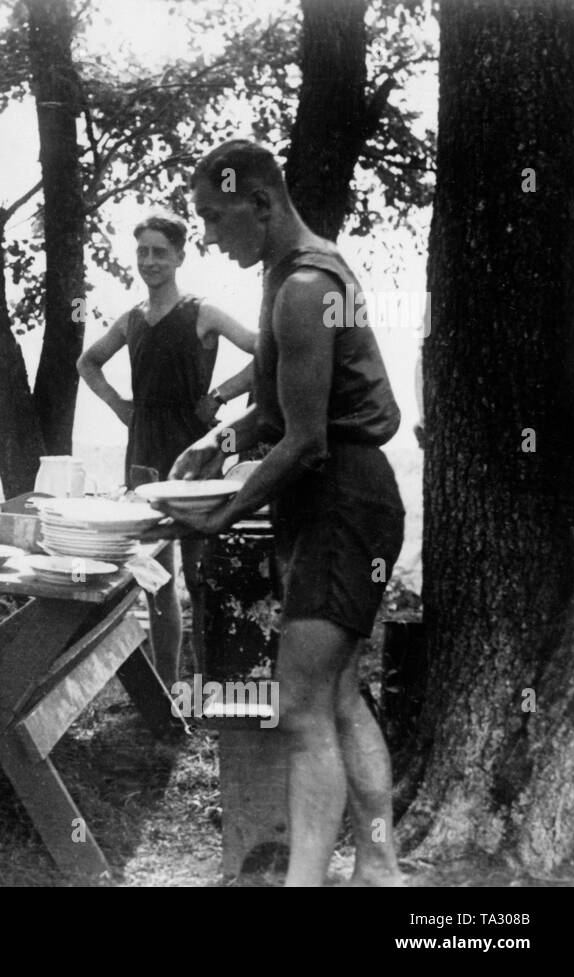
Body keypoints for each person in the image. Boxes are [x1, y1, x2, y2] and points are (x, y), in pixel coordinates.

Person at [160, 140, 406, 886]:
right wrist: (223, 437)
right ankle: (379, 866)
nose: (204, 235)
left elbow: (303, 441)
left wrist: (223, 511)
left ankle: (302, 882)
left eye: (212, 216)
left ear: (260, 203)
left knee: (299, 710)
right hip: (346, 499)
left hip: (339, 504)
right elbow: (286, 406)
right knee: (337, 695)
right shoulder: (301, 271)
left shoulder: (302, 287)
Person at [77, 210, 256, 686]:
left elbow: (268, 353)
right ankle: (168, 692)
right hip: (144, 454)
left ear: (179, 256)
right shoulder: (132, 319)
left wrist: (220, 395)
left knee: (200, 579)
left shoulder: (202, 313)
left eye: (159, 252)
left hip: (195, 451)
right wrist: (120, 407)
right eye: (142, 252)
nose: (150, 261)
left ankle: (209, 686)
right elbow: (87, 362)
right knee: (157, 580)